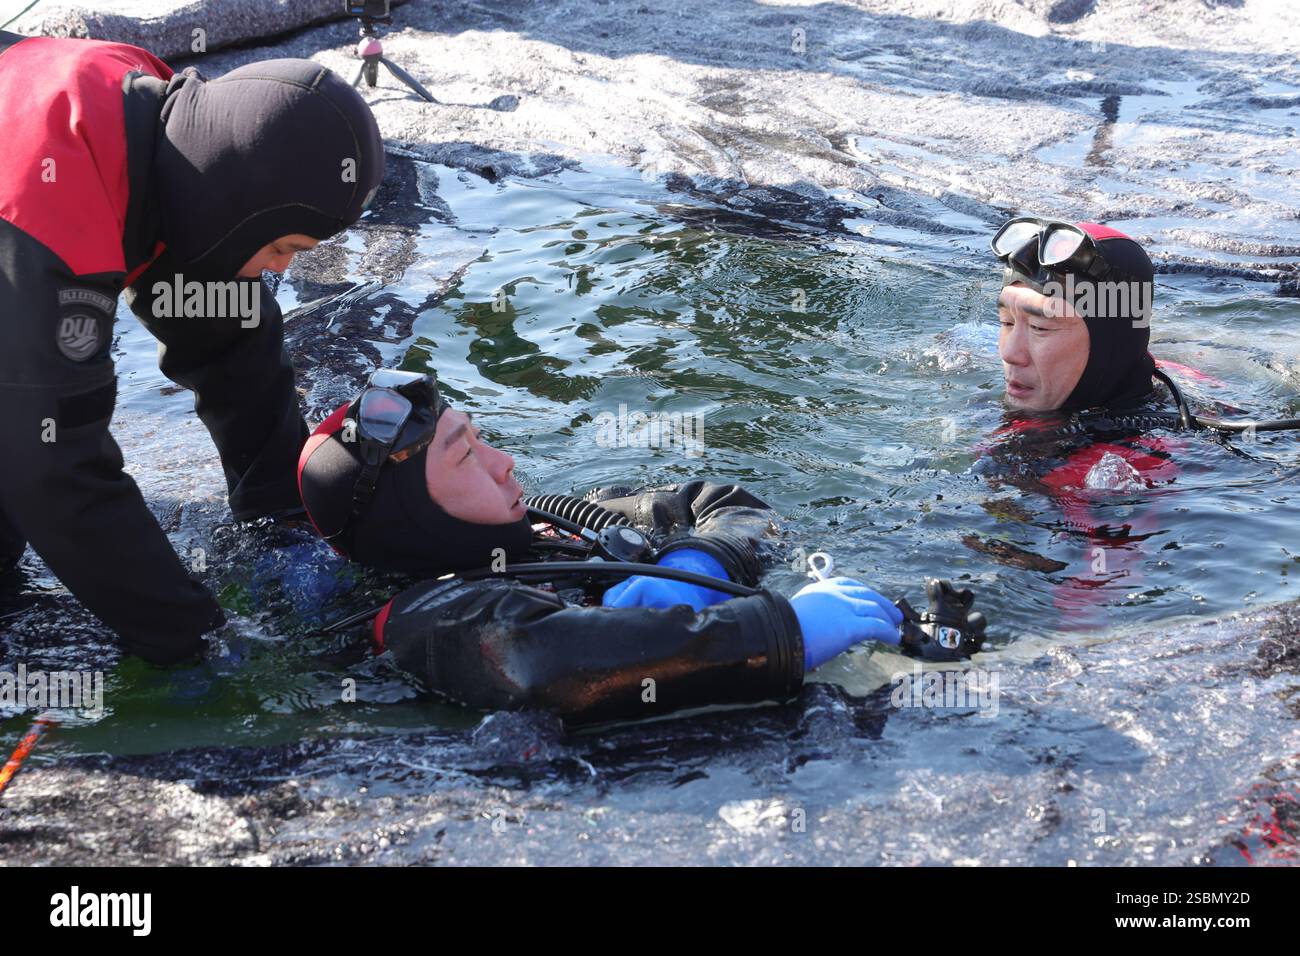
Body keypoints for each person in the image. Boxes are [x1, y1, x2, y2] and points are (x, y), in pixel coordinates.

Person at [297, 370, 986, 726]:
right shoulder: (425, 618)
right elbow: (538, 662)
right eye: (466, 459)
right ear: (415, 514)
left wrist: (701, 562)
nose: (505, 463)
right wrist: (780, 636)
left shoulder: (550, 526)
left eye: (482, 438)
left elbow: (731, 505)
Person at [0, 32, 385, 663]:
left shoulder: (166, 127)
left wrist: (282, 518)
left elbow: (226, 331)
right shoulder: (45, 218)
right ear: (238, 211)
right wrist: (196, 637)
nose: (280, 272)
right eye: (282, 249)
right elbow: (50, 466)